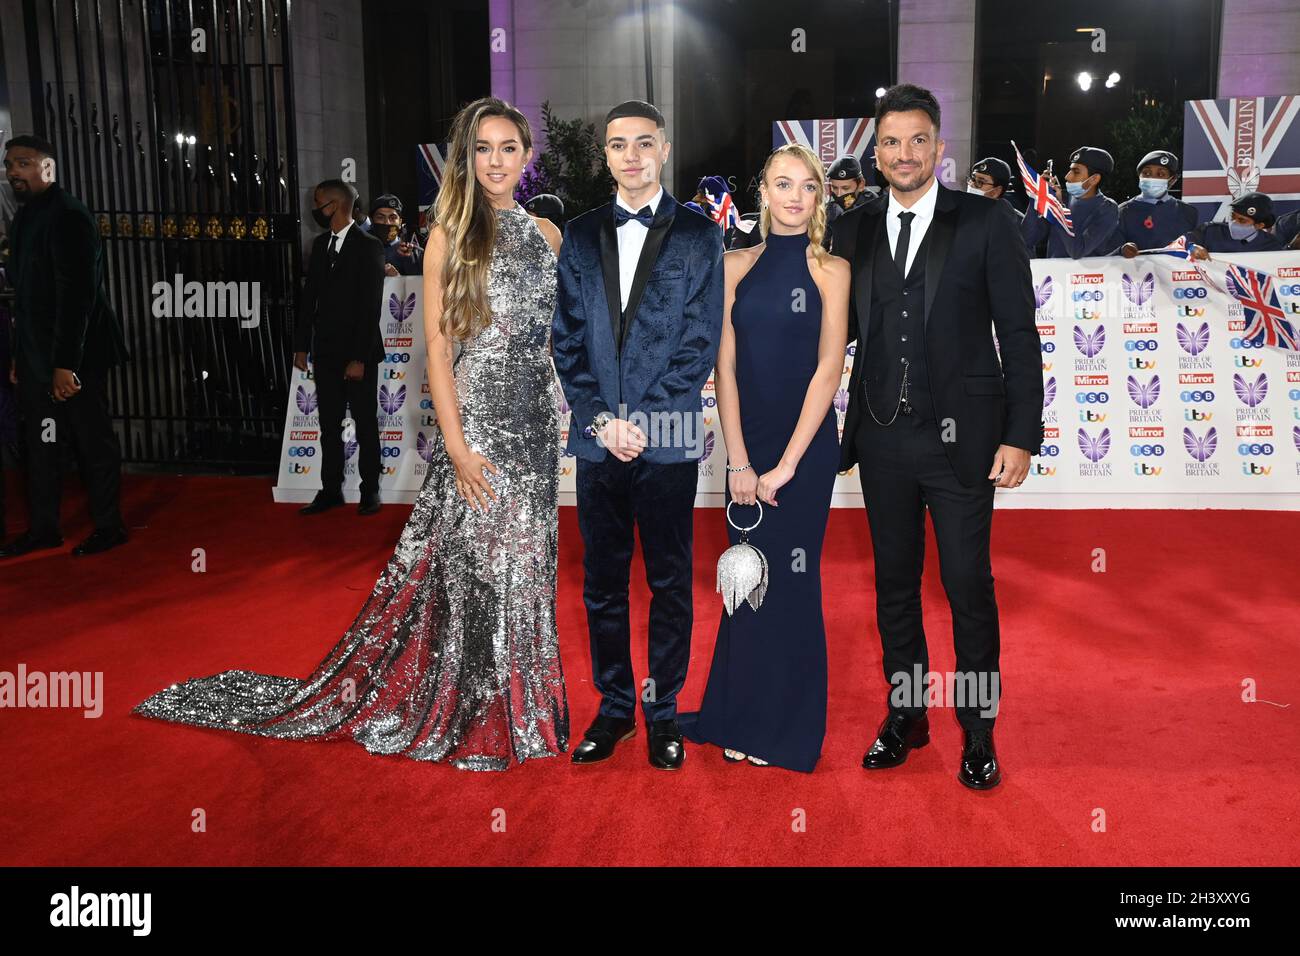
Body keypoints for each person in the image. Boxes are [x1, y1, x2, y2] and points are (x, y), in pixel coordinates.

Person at [134, 96, 569, 771]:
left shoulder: (548, 234)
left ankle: (523, 709)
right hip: (478, 413)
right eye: (482, 148)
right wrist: (455, 444)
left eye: (508, 147)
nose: (495, 161)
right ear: (467, 158)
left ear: (527, 155)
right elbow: (437, 342)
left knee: (529, 560)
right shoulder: (450, 233)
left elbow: (550, 338)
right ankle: (473, 708)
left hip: (535, 418)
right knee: (477, 564)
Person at [828, 85, 1042, 790]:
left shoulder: (985, 221)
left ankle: (978, 732)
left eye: (918, 140)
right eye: (891, 142)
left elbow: (1017, 333)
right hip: (882, 440)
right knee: (893, 588)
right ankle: (907, 715)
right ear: (877, 151)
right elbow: (834, 335)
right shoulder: (851, 228)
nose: (904, 153)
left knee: (966, 586)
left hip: (965, 444)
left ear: (939, 148)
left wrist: (1021, 434)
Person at [552, 99, 723, 770]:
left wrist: (642, 423)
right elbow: (567, 341)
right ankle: (615, 707)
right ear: (606, 154)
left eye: (643, 143)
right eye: (618, 144)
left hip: (669, 433)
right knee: (601, 582)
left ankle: (664, 711)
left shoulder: (700, 235)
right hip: (599, 440)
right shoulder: (581, 232)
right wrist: (601, 419)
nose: (631, 155)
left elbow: (699, 343)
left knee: (671, 581)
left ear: (665, 148)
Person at [678, 143, 848, 772]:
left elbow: (828, 371)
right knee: (746, 583)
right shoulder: (734, 265)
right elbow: (723, 368)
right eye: (783, 184)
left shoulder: (833, 269)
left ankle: (786, 727)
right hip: (747, 449)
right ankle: (740, 715)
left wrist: (787, 466)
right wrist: (741, 463)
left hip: (804, 450)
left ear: (819, 196)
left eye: (807, 186)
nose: (795, 197)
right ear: (764, 191)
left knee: (794, 583)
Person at [0, 135, 130, 559]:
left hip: (78, 356)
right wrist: (22, 356)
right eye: (10, 165)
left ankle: (110, 526)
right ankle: (44, 529)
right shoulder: (24, 218)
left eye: (24, 163)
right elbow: (26, 300)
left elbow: (77, 297)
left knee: (92, 442)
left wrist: (64, 366)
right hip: (38, 356)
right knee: (42, 443)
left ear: (48, 168)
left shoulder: (69, 215)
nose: (14, 172)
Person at [293, 179, 386, 516]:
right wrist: (302, 346)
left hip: (358, 353)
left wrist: (359, 357)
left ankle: (370, 490)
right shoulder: (319, 246)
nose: (315, 210)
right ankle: (330, 490)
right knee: (329, 425)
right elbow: (309, 299)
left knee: (364, 423)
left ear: (337, 205)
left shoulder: (368, 246)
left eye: (319, 203)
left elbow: (370, 306)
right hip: (327, 352)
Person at [1020, 145, 1119, 258]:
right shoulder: (1063, 199)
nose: (1067, 176)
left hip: (1085, 275)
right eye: (1070, 170)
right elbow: (1026, 240)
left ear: (1094, 179)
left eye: (1076, 172)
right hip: (1053, 274)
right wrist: (1036, 197)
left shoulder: (1107, 209)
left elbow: (1077, 251)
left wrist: (1059, 209)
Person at [1110, 150, 1198, 255]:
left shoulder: (1188, 212)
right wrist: (1121, 251)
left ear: (1172, 180)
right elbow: (1110, 254)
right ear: (1139, 176)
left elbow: (1193, 247)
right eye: (1146, 173)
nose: (1152, 178)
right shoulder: (1122, 212)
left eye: (1160, 174)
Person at [1184, 192, 1285, 256]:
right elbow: (1181, 242)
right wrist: (1192, 247)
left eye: (1242, 220)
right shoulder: (1209, 231)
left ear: (1259, 225)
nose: (1234, 222)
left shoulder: (1271, 245)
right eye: (1233, 216)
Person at [369, 193, 423, 276]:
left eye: (392, 218)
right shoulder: (361, 249)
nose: (387, 222)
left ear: (400, 222)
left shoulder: (414, 252)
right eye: (380, 217)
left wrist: (397, 278)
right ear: (372, 220)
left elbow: (419, 285)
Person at [966, 157, 1023, 222]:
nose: (972, 185)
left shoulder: (1014, 222)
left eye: (980, 182)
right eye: (973, 179)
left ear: (996, 191)